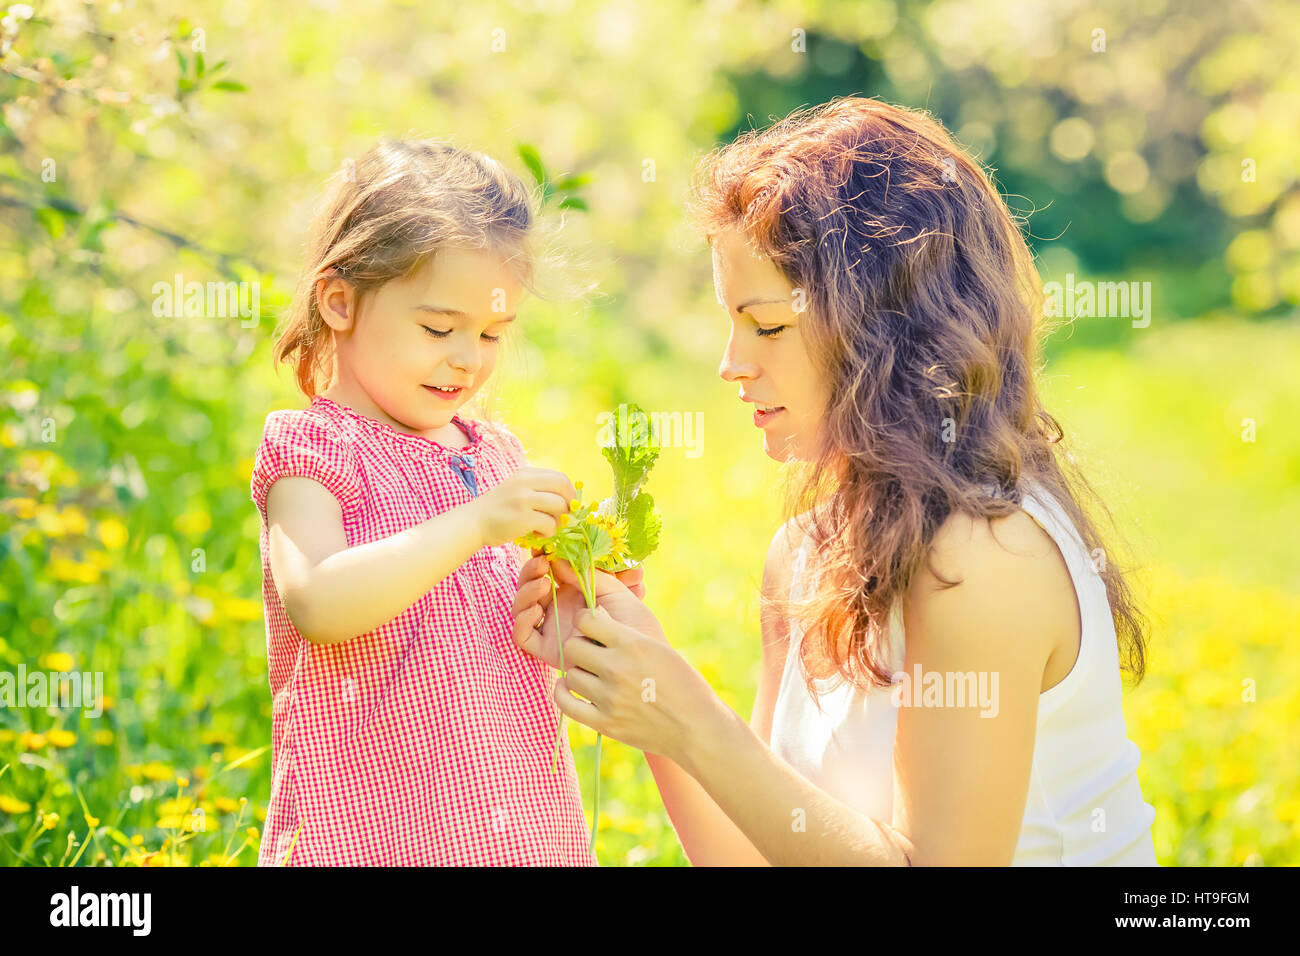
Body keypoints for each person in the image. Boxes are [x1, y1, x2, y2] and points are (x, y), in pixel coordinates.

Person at [513, 97, 1158, 866]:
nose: (732, 363)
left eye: (768, 325)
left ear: (883, 324)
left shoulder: (983, 559)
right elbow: (752, 856)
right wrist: (649, 683)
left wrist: (691, 717)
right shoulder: (805, 552)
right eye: (730, 321)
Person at [250, 138, 638, 865]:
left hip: (510, 827)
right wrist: (477, 523)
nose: (469, 357)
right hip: (370, 837)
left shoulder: (496, 456)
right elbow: (320, 603)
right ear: (340, 300)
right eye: (439, 328)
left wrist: (570, 612)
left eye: (493, 333)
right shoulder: (313, 452)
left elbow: (493, 635)